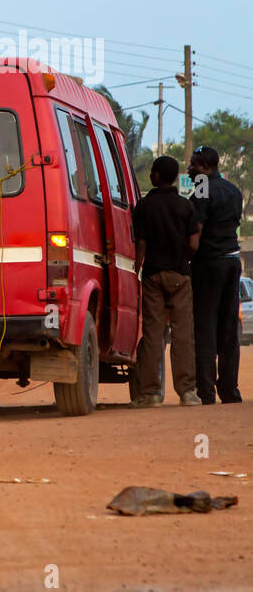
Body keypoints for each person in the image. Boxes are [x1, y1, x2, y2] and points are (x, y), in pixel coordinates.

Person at [131, 155, 201, 406]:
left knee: (153, 334)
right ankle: (187, 392)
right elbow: (194, 243)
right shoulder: (185, 206)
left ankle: (151, 393)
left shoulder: (144, 206)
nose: (150, 175)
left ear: (157, 176)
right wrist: (183, 259)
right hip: (180, 275)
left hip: (152, 275)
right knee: (183, 334)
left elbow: (141, 244)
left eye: (152, 171)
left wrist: (137, 267)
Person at [188, 146, 244, 404]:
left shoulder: (202, 188)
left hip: (209, 264)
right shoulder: (233, 190)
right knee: (229, 326)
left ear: (205, 167)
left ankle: (206, 391)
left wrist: (185, 255)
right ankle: (230, 390)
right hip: (232, 261)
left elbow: (196, 234)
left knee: (206, 326)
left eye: (193, 165)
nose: (189, 170)